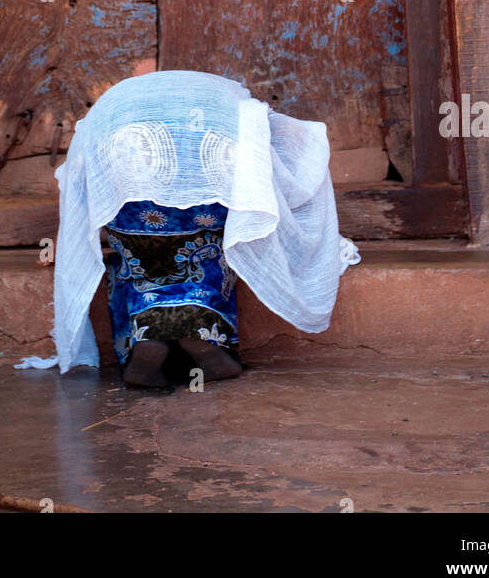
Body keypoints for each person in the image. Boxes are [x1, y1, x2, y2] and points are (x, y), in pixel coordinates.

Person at [19, 69, 361, 389]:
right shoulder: (238, 107)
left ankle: (148, 335)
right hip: (210, 183)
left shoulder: (116, 107)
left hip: (125, 174)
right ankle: (204, 334)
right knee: (209, 251)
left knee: (136, 260)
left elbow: (79, 190)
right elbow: (276, 166)